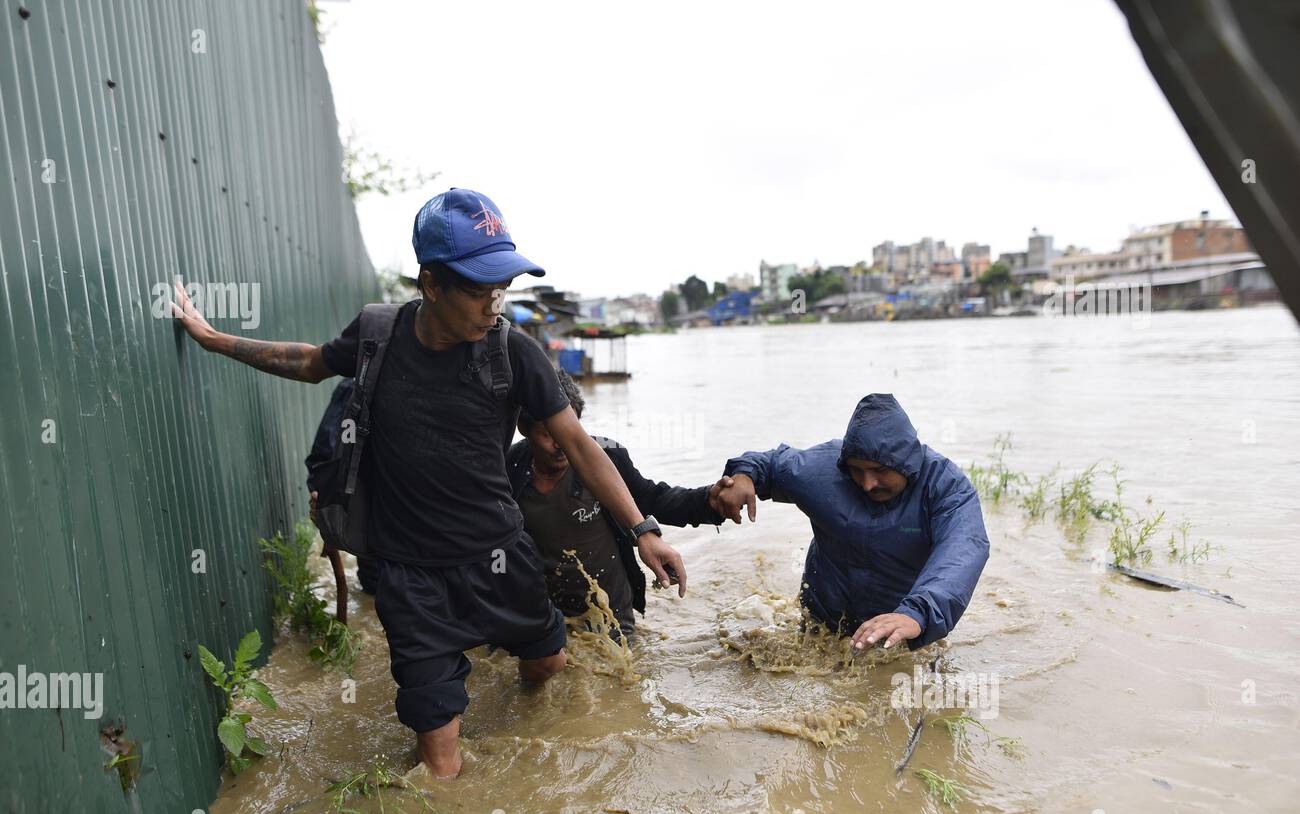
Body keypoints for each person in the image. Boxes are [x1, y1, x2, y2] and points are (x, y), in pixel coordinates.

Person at [171, 187, 688, 779]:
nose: (494, 304)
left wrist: (644, 530)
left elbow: (579, 445)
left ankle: (531, 764)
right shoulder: (377, 337)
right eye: (478, 288)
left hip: (498, 555)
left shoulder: (515, 354)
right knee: (441, 763)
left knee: (547, 666)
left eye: (503, 287)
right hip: (407, 572)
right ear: (431, 283)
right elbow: (309, 362)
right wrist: (214, 340)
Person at [715, 394, 989, 652]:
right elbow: (770, 464)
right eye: (858, 470)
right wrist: (744, 476)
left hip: (902, 627)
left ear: (907, 461)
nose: (868, 483)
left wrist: (918, 613)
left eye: (880, 471)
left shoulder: (945, 487)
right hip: (823, 625)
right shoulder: (825, 469)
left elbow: (963, 551)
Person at [505, 369, 729, 639]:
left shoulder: (605, 457)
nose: (561, 443)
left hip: (610, 616)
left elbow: (653, 498)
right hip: (544, 616)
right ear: (524, 429)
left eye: (570, 429)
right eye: (549, 433)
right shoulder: (509, 468)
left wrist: (710, 501)